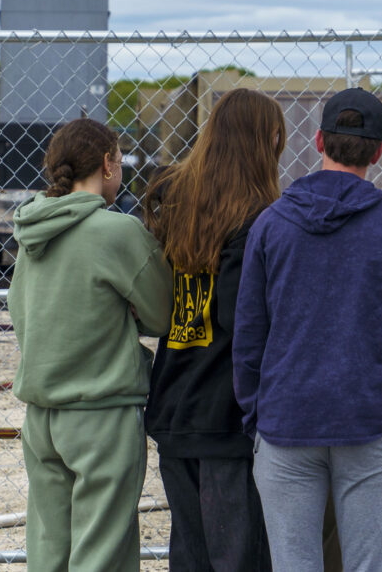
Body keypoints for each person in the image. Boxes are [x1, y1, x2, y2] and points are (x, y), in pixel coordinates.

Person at [232, 87, 382, 571]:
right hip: (368, 419)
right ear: (378, 152)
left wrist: (256, 416)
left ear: (319, 141)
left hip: (286, 419)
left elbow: (249, 334)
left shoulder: (271, 224)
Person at [7, 118, 173, 572]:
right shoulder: (118, 232)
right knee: (101, 553)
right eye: (119, 160)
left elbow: (21, 311)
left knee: (49, 551)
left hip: (41, 418)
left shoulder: (32, 230)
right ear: (107, 165)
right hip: (102, 413)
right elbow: (162, 314)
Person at [142, 87, 285, 572]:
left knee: (190, 552)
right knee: (239, 555)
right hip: (227, 415)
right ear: (266, 141)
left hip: (174, 402)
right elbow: (240, 322)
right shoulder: (257, 219)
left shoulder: (177, 204)